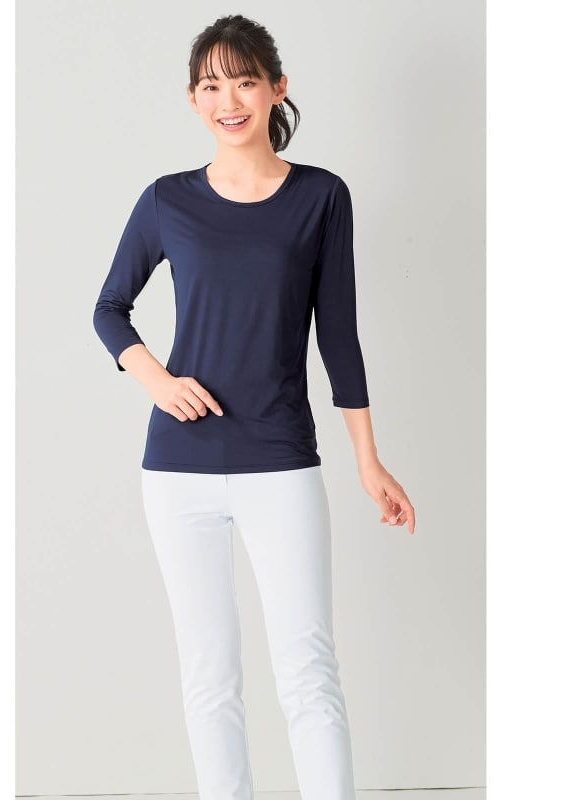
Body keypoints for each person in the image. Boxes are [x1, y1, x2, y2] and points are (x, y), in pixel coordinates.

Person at [93, 13, 416, 800]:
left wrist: (368, 461)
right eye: (210, 86)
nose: (228, 100)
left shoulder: (320, 197)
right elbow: (109, 309)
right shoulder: (167, 200)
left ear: (277, 88)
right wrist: (157, 380)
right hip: (178, 470)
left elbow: (338, 337)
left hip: (280, 460)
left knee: (308, 669)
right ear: (192, 99)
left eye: (244, 81)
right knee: (209, 676)